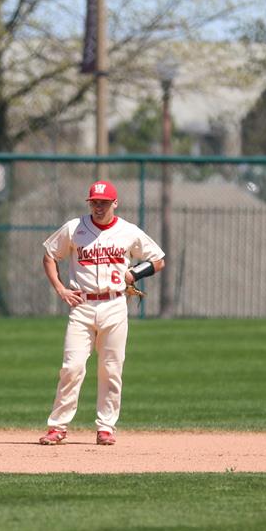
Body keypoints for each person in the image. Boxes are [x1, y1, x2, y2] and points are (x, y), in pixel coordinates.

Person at [39, 180, 165, 446]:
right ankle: (57, 427)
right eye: (94, 202)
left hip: (114, 304)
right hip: (81, 305)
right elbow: (50, 255)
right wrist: (61, 289)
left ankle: (106, 427)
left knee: (111, 368)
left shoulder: (128, 231)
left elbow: (158, 260)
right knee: (72, 367)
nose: (98, 207)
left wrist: (134, 273)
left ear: (114, 203)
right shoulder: (74, 228)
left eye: (104, 202)